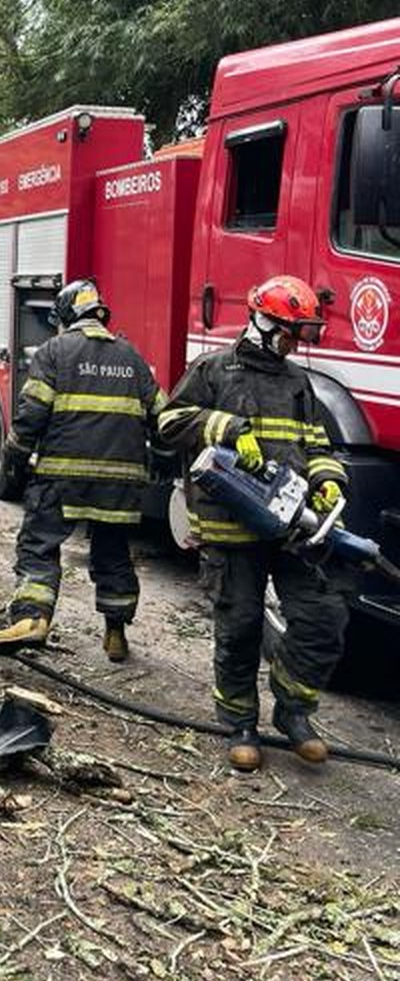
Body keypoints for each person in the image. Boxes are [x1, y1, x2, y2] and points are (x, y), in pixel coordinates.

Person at [158, 276, 349, 772]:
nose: (296, 342)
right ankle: (240, 724)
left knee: (322, 619)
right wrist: (224, 428)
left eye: (301, 333)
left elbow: (318, 446)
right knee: (240, 626)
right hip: (232, 529)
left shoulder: (297, 383)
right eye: (291, 332)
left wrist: (328, 483)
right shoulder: (214, 370)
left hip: (292, 528)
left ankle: (293, 713)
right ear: (264, 322)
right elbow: (166, 424)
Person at [0, 278, 165, 662]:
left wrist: (14, 457)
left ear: (67, 316)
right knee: (113, 552)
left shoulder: (55, 350)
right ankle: (116, 631)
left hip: (62, 477)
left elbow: (32, 413)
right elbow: (162, 417)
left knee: (39, 544)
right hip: (121, 484)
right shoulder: (133, 358)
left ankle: (33, 618)